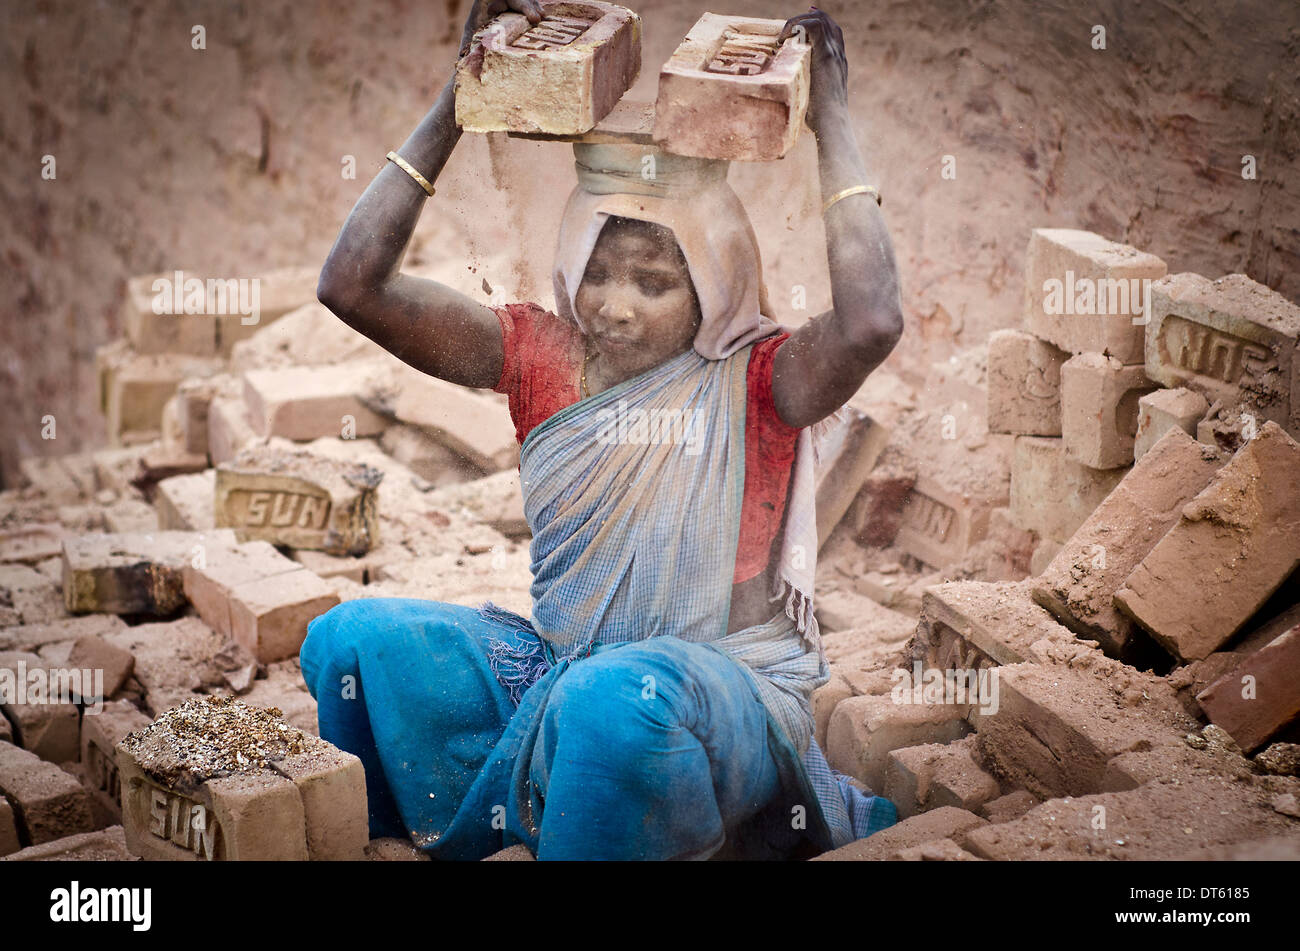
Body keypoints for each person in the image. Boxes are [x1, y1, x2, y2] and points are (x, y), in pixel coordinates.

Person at [303, 0, 904, 860]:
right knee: (351, 644)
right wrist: (458, 100)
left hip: (720, 695)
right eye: (597, 273)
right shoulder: (537, 356)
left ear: (711, 284)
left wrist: (830, 117)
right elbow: (351, 287)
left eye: (654, 281)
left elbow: (873, 319)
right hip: (560, 671)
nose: (613, 305)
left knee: (617, 704)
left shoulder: (760, 379)